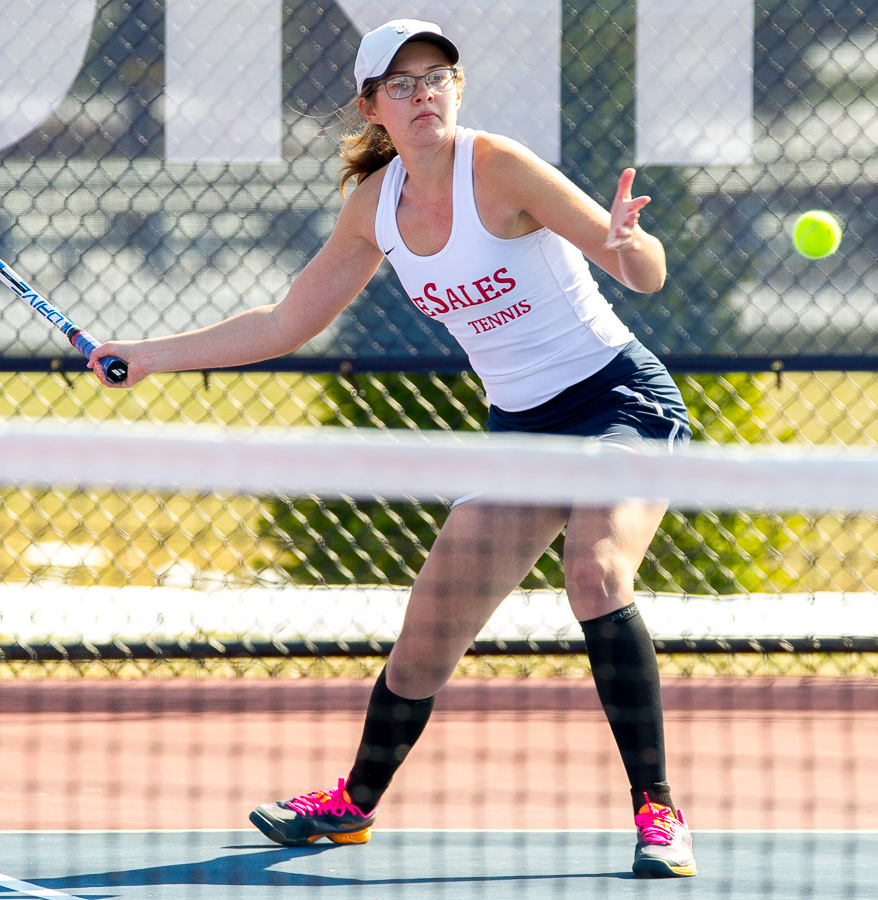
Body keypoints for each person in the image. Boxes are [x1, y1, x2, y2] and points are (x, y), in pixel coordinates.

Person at [89, 18, 696, 879]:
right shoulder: (374, 208)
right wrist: (148, 357)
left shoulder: (501, 167)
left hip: (617, 404)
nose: (424, 93)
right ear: (373, 106)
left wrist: (632, 246)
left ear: (457, 88)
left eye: (437, 76)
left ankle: (658, 810)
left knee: (594, 572)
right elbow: (285, 322)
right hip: (521, 430)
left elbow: (635, 266)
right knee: (425, 639)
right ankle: (351, 806)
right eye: (402, 83)